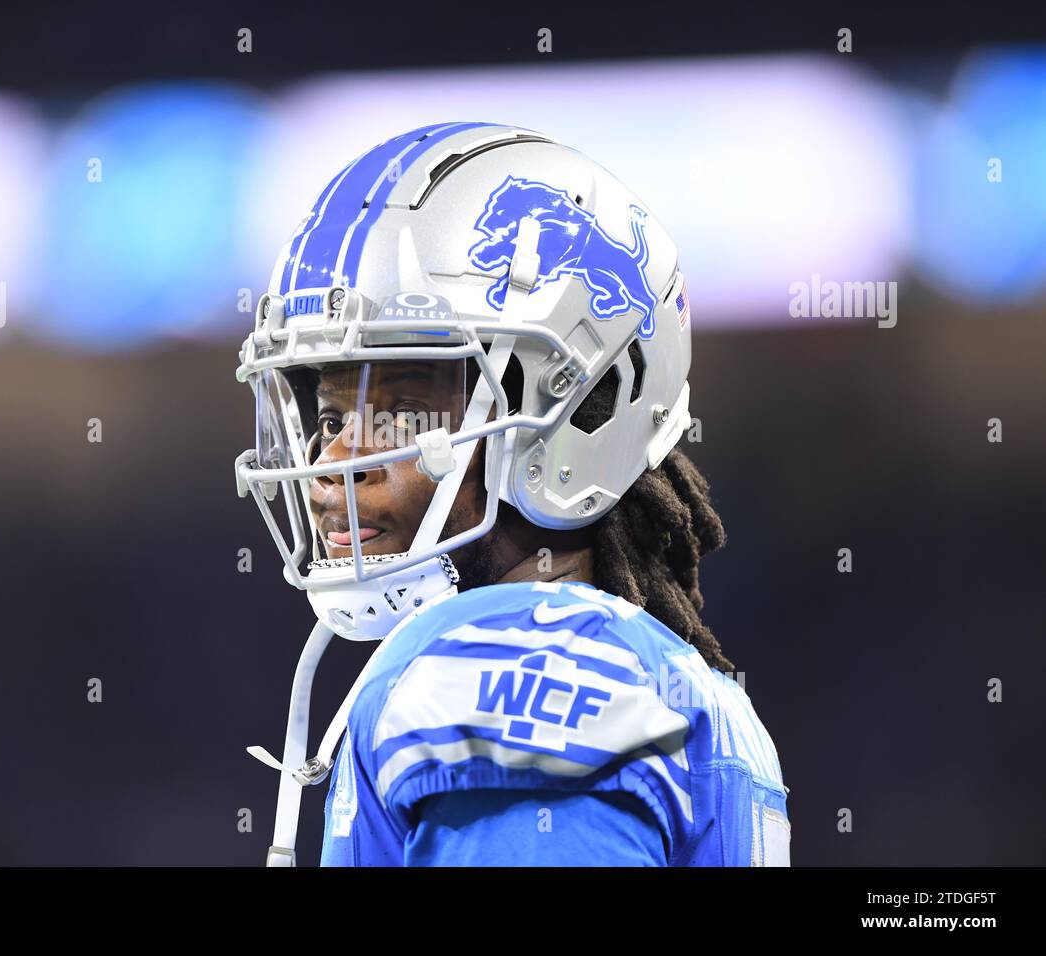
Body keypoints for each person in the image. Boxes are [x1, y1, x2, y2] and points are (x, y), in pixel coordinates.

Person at [235, 121, 790, 866]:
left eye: (396, 413)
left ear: (579, 405)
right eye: (331, 416)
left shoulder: (520, 671)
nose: (336, 457)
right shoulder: (665, 680)